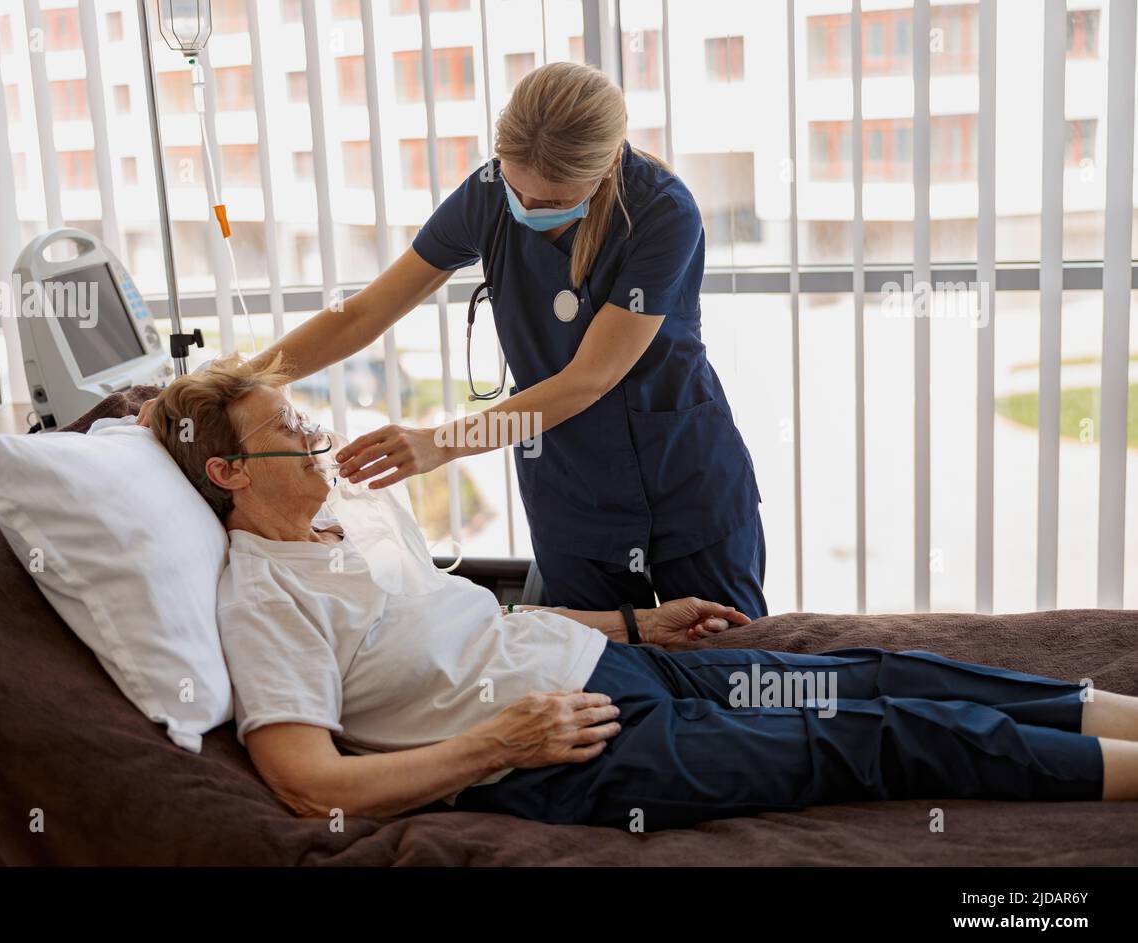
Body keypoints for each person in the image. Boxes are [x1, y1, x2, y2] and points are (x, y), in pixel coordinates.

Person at [141, 358, 1138, 832]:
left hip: (625, 668)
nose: (319, 439)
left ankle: (1114, 717)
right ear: (228, 472)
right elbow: (308, 780)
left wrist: (632, 621)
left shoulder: (344, 524)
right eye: (292, 430)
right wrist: (499, 744)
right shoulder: (263, 599)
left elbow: (487, 625)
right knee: (875, 737)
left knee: (861, 677)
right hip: (578, 747)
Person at [225, 61, 767, 619]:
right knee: (606, 677)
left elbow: (588, 380)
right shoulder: (487, 194)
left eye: (552, 203)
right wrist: (238, 381)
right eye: (517, 191)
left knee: (724, 654)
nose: (528, 211)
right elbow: (361, 314)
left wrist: (441, 442)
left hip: (683, 475)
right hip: (571, 486)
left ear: (607, 166)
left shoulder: (661, 211)